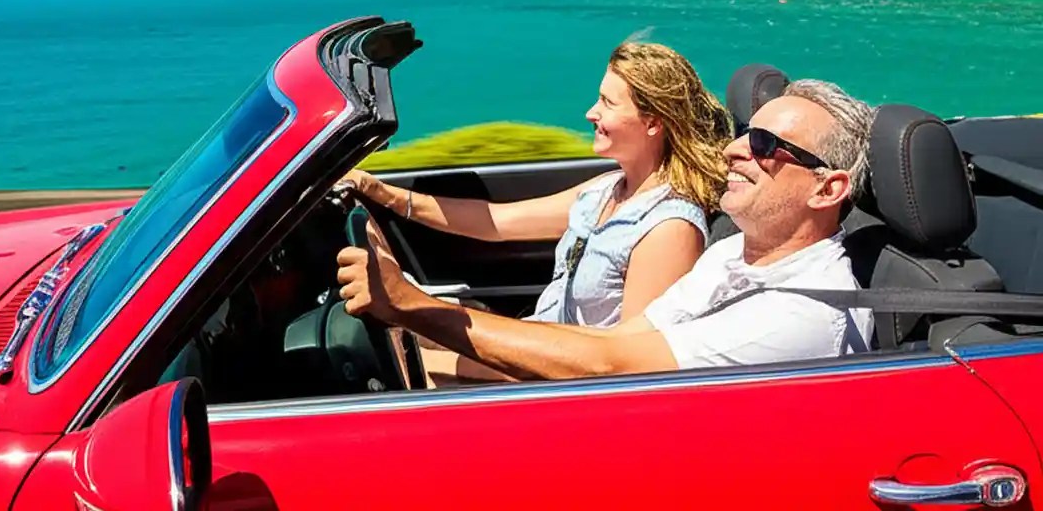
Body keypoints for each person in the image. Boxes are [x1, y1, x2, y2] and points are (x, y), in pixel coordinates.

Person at [336, 79, 876, 383]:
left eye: (762, 145)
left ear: (826, 190)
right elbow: (620, 339)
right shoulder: (734, 252)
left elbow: (612, 368)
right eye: (742, 135)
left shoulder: (798, 315)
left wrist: (411, 306)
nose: (734, 149)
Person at [341, 40, 731, 344]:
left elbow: (627, 359)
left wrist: (416, 305)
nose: (590, 113)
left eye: (607, 104)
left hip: (557, 382)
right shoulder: (609, 190)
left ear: (652, 123)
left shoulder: (669, 229)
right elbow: (496, 222)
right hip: (539, 343)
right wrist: (381, 192)